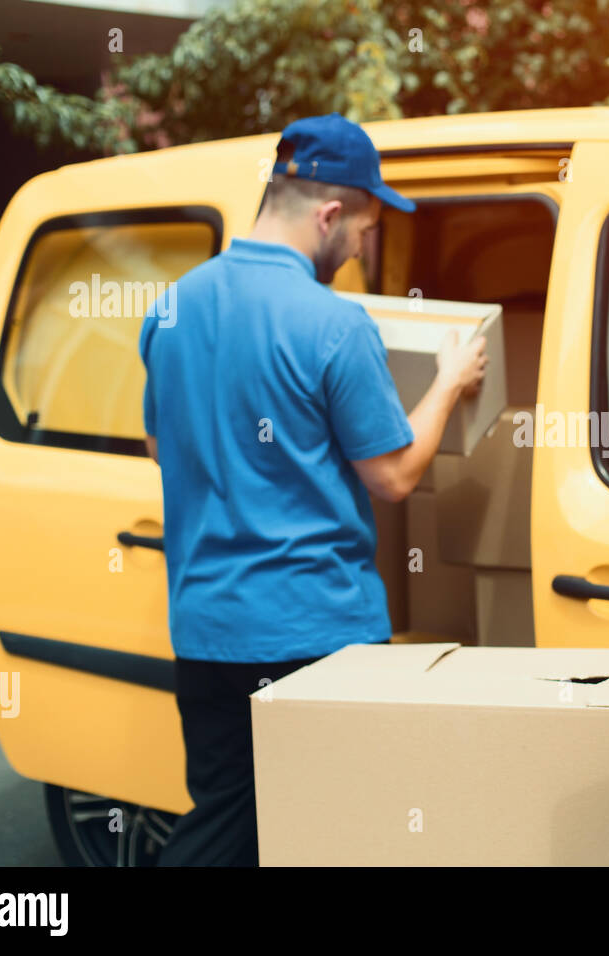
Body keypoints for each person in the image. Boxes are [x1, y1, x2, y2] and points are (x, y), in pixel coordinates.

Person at [138, 114, 488, 866]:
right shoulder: (334, 324)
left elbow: (161, 448)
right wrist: (451, 384)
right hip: (314, 634)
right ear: (330, 214)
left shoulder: (171, 306)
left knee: (228, 817)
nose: (361, 249)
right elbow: (393, 476)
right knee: (323, 836)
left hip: (206, 631)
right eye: (363, 230)